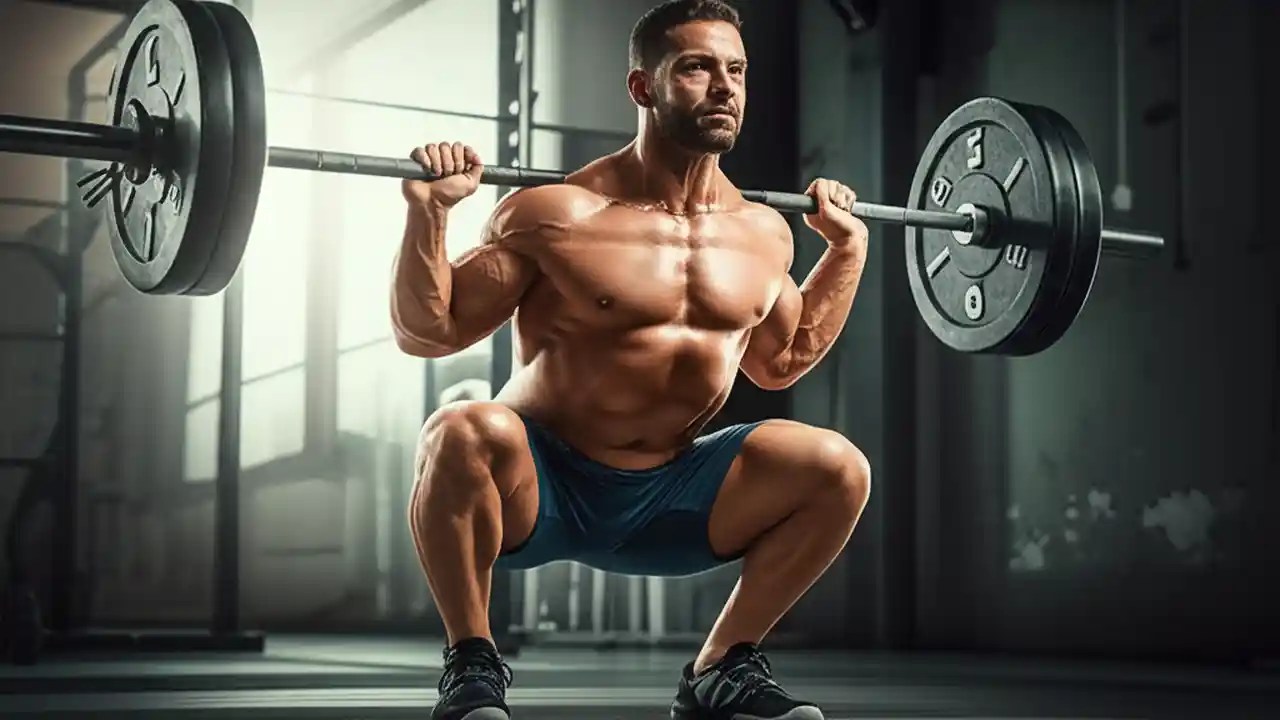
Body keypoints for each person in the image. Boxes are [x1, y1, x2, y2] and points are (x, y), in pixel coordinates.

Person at [392, 1, 871, 718]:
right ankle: (472, 667)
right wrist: (428, 213)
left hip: (673, 498)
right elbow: (429, 332)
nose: (724, 87)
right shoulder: (557, 213)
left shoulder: (764, 234)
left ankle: (720, 669)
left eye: (736, 70)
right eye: (697, 68)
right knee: (460, 428)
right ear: (643, 88)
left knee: (837, 468)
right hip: (542, 487)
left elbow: (781, 363)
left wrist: (847, 251)